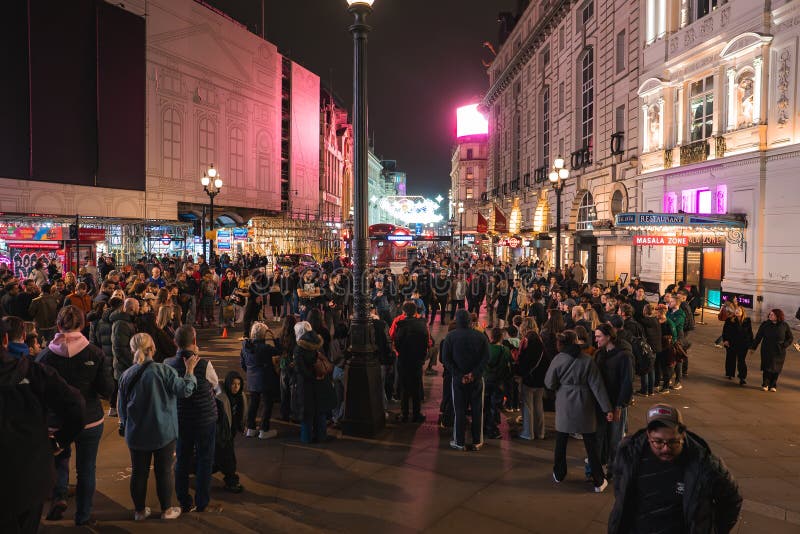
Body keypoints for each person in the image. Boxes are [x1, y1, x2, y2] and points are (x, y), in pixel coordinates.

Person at [0, 320, 85, 534]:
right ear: (5, 340)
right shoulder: (33, 372)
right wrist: (59, 440)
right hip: (30, 474)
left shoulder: (33, 370)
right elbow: (76, 405)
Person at [608, 403, 742, 534]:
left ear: (683, 434)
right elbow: (621, 488)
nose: (666, 448)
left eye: (673, 442)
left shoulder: (706, 463)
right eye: (658, 442)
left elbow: (731, 499)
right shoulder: (628, 452)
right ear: (648, 435)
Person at [36, 306, 113, 526]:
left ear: (58, 325)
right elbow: (106, 389)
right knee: (86, 468)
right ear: (83, 324)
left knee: (60, 461)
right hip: (89, 418)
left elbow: (39, 391)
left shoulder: (45, 356)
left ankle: (59, 497)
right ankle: (83, 516)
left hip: (56, 421)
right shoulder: (95, 353)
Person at [118, 333, 199, 521]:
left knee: (139, 473)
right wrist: (190, 371)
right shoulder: (164, 371)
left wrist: (125, 424)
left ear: (132, 350)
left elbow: (122, 408)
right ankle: (166, 510)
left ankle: (139, 511)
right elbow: (185, 390)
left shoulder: (126, 376)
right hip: (163, 432)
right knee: (164, 472)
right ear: (153, 349)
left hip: (137, 433)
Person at [544, 330, 613, 493]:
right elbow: (597, 386)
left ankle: (559, 473)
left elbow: (549, 382)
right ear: (576, 342)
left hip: (564, 402)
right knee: (590, 443)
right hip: (584, 403)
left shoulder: (558, 359)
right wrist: (607, 409)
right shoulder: (588, 360)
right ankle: (598, 480)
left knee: (561, 440)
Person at [164, 325, 221, 513]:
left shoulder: (167, 364)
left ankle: (183, 500)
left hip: (180, 418)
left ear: (175, 342)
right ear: (194, 341)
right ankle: (202, 501)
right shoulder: (203, 364)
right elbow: (215, 383)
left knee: (182, 457)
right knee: (205, 459)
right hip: (204, 417)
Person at [441, 309, 490, 451]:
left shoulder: (451, 337)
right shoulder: (480, 337)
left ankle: (459, 441)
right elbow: (486, 358)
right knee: (477, 410)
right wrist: (474, 374)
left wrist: (459, 374)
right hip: (476, 379)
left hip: (458, 380)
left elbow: (446, 359)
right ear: (470, 321)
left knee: (459, 410)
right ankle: (477, 441)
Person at [594, 323, 634, 477]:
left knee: (615, 439)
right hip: (602, 404)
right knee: (601, 436)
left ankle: (614, 469)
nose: (596, 339)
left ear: (609, 337)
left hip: (616, 404)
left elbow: (627, 383)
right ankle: (602, 465)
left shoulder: (624, 356)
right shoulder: (600, 354)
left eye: (599, 336)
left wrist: (619, 406)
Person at [293, 321, 337, 443]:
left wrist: (309, 375)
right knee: (320, 412)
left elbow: (300, 369)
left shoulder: (299, 348)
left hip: (306, 385)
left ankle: (306, 438)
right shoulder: (318, 343)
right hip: (321, 381)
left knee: (307, 414)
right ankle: (321, 436)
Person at [391, 300, 431, 423]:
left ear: (404, 311)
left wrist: (400, 352)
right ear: (415, 311)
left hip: (403, 359)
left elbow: (394, 339)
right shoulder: (422, 323)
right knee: (416, 386)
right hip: (417, 360)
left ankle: (404, 413)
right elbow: (427, 341)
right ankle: (416, 413)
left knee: (404, 387)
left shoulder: (400, 323)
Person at [240, 322, 281, 439]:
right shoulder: (266, 348)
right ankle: (264, 428)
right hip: (266, 379)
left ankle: (251, 428)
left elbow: (243, 364)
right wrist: (274, 337)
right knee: (267, 404)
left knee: (253, 403)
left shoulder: (245, 348)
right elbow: (279, 350)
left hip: (252, 380)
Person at [215, 371, 246, 493]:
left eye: (238, 384)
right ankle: (231, 481)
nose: (236, 387)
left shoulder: (239, 397)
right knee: (228, 459)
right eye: (233, 384)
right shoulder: (221, 399)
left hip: (230, 433)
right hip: (222, 435)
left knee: (220, 459)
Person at [517, 317, 548, 440]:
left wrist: (520, 373)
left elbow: (524, 360)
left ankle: (528, 432)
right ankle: (540, 432)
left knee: (528, 406)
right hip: (540, 378)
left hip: (530, 378)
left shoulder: (527, 340)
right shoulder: (540, 339)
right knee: (539, 405)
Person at [751, 308, 794, 392]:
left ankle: (773, 385)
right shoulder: (765, 324)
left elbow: (790, 338)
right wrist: (753, 347)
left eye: (772, 315)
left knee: (776, 368)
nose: (770, 316)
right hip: (767, 349)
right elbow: (758, 336)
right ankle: (765, 384)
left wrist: (784, 345)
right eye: (770, 314)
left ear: (778, 316)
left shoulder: (784, 325)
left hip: (779, 351)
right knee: (767, 367)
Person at [484, 327, 512, 439]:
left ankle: (483, 426)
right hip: (498, 382)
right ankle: (492, 429)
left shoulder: (486, 349)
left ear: (491, 337)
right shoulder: (505, 350)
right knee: (494, 406)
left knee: (484, 404)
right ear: (501, 337)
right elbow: (509, 366)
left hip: (485, 380)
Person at [721, 304, 753, 385]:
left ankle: (742, 377)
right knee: (730, 358)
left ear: (743, 312)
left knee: (741, 361)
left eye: (739, 310)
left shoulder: (747, 321)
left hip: (743, 344)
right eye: (736, 310)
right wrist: (725, 340)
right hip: (731, 343)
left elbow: (750, 333)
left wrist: (751, 344)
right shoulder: (729, 320)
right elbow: (725, 331)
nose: (737, 311)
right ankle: (730, 374)